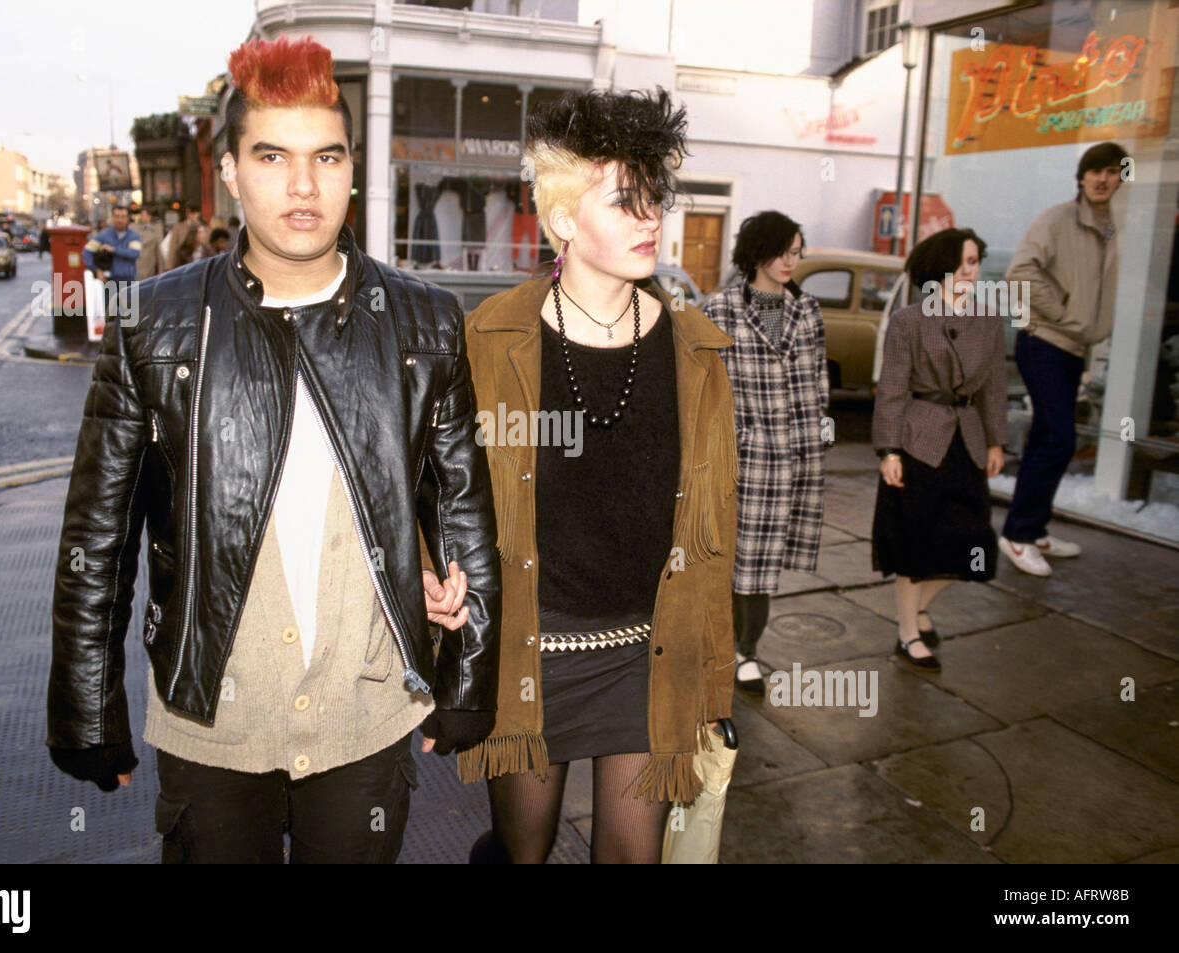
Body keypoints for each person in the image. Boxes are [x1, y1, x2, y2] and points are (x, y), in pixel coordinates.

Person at [47, 34, 501, 864]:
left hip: (363, 720)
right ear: (229, 170)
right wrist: (86, 705)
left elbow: (464, 506)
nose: (303, 185)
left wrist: (470, 678)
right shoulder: (157, 323)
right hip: (212, 718)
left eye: (326, 156)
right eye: (272, 156)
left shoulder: (424, 321)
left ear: (353, 168)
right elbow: (96, 539)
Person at [458, 88, 737, 864]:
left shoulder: (696, 355)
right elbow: (449, 493)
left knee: (633, 858)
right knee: (524, 850)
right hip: (530, 650)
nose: (652, 221)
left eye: (656, 201)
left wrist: (713, 678)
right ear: (563, 220)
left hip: (646, 652)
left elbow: (715, 533)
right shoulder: (493, 338)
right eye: (626, 203)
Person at [871, 228, 1008, 671]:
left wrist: (995, 440)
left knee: (976, 545)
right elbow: (891, 389)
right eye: (964, 262)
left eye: (976, 262)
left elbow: (994, 389)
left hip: (965, 442)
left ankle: (920, 610)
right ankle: (908, 632)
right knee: (914, 543)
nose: (972, 271)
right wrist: (888, 450)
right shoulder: (909, 320)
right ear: (942, 267)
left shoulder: (988, 321)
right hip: (917, 443)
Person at [702, 211, 828, 694]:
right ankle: (729, 649)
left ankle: (746, 650)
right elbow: (706, 390)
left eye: (797, 252)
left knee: (764, 564)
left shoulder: (807, 310)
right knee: (733, 560)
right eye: (783, 251)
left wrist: (820, 440)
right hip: (742, 458)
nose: (790, 261)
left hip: (793, 456)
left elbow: (819, 383)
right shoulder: (721, 310)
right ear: (759, 251)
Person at [999, 142, 1126, 576]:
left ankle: (1032, 530)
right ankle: (1017, 535)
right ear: (1082, 176)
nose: (1103, 179)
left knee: (1044, 439)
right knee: (1059, 439)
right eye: (1095, 171)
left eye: (1112, 171)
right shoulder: (1057, 219)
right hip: (1043, 339)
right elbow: (1020, 273)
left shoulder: (1116, 224)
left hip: (1071, 347)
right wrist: (1067, 313)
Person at [81, 204, 140, 317]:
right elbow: (86, 253)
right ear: (113, 217)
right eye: (117, 216)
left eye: (123, 216)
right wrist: (96, 269)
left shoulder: (134, 236)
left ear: (127, 219)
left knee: (129, 320)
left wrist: (112, 249)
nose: (120, 220)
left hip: (129, 283)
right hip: (109, 283)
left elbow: (134, 253)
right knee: (110, 319)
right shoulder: (103, 236)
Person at [134, 207, 164, 279]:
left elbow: (159, 251)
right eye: (141, 215)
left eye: (143, 215)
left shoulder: (156, 230)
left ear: (149, 217)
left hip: (149, 265)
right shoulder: (134, 228)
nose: (141, 217)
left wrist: (161, 269)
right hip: (136, 265)